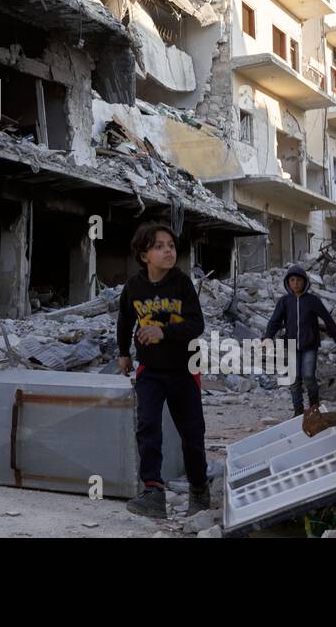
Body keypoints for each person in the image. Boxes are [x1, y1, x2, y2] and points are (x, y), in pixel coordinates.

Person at [117, 221, 209, 519]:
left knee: (192, 433)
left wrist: (163, 331)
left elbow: (197, 324)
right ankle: (154, 492)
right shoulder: (134, 286)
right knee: (148, 427)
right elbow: (124, 321)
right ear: (144, 255)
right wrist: (122, 353)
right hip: (151, 371)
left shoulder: (182, 283)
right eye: (159, 246)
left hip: (184, 369)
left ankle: (198, 489)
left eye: (170, 245)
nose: (168, 251)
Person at [265, 265, 336, 417]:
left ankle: (314, 407)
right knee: (294, 380)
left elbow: (327, 319)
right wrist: (268, 336)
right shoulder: (284, 301)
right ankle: (298, 412)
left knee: (308, 376)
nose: (296, 283)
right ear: (288, 283)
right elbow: (275, 321)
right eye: (292, 280)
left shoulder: (313, 301)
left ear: (305, 282)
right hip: (292, 345)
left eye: (299, 280)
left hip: (310, 345)